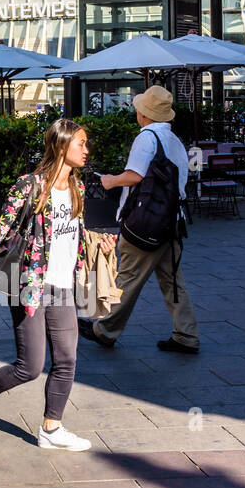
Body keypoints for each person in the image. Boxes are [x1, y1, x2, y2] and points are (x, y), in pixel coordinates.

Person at [0, 118, 111, 452]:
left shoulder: (77, 187)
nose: (87, 150)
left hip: (63, 288)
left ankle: (51, 429)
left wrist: (98, 241)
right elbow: (1, 228)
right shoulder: (29, 186)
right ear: (61, 146)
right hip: (31, 286)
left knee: (67, 359)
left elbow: (74, 232)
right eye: (81, 143)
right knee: (29, 367)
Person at [78, 86, 199, 354]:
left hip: (146, 223)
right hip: (172, 222)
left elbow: (134, 175)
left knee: (128, 277)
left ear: (143, 114)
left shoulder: (146, 138)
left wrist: (110, 181)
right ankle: (186, 334)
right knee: (172, 281)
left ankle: (105, 330)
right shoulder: (174, 141)